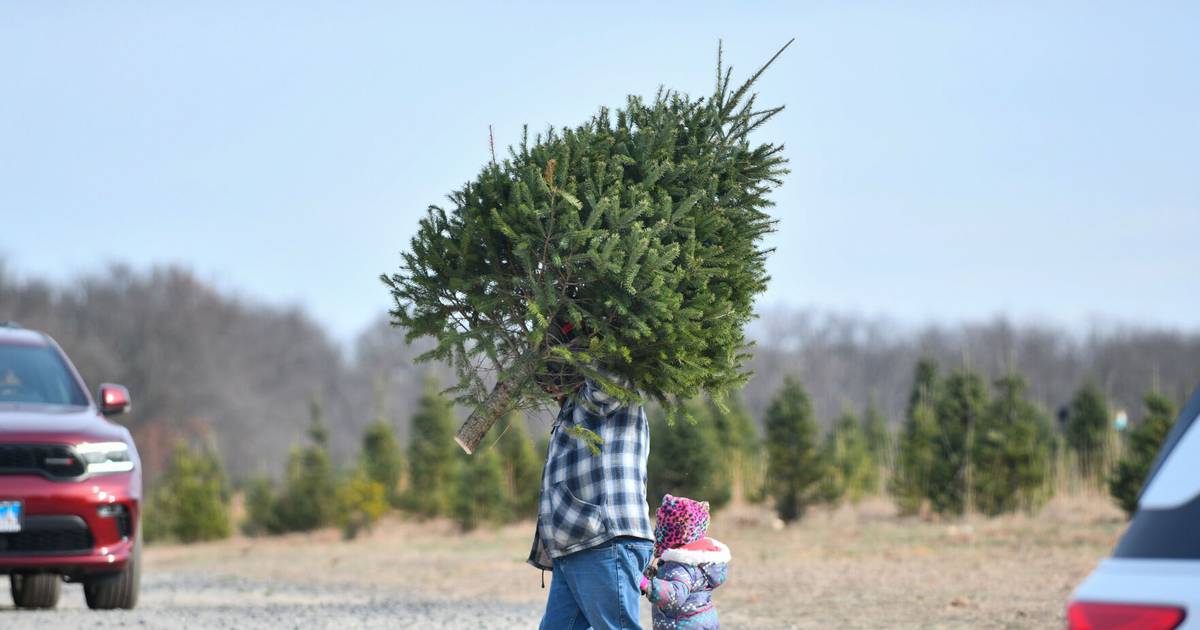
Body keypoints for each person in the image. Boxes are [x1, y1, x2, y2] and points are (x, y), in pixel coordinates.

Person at [529, 375, 654, 630]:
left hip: (604, 538)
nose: (550, 387)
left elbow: (609, 366)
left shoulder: (608, 387)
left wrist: (574, 340)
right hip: (575, 543)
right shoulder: (572, 407)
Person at [639, 495, 730, 630]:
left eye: (661, 528)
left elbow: (674, 595)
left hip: (682, 625)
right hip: (701, 621)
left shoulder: (681, 565)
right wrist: (654, 575)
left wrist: (646, 584)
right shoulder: (698, 560)